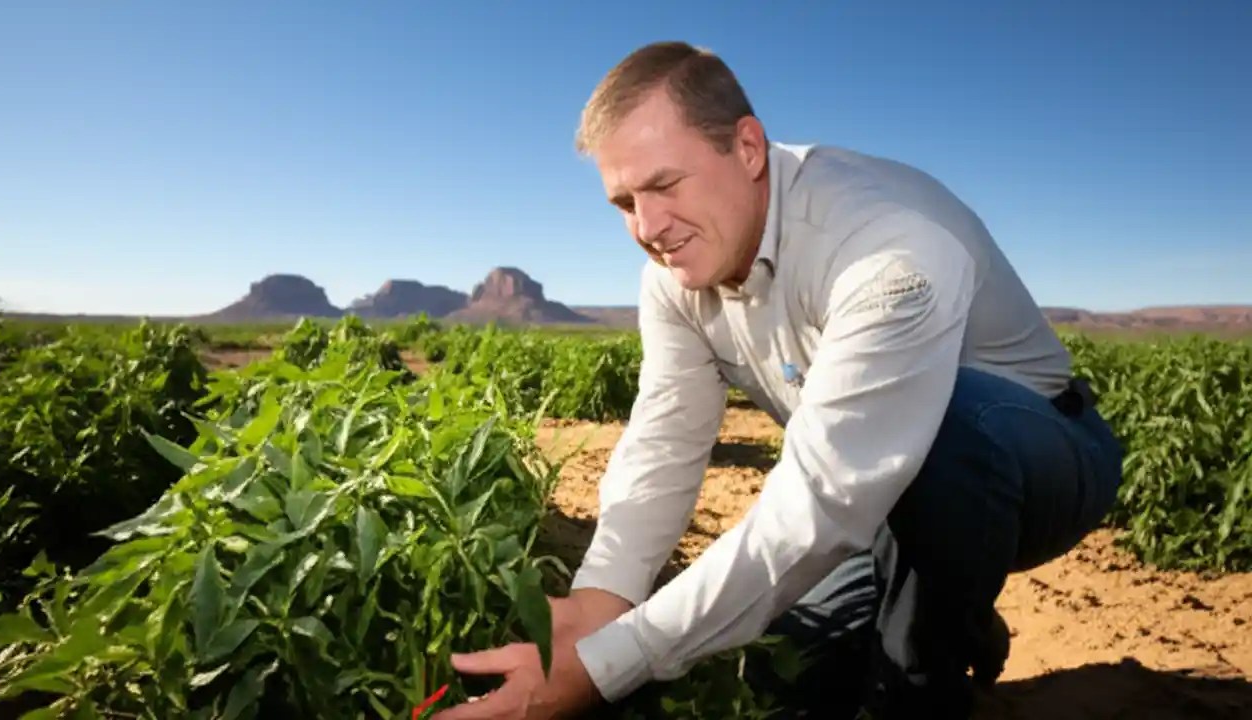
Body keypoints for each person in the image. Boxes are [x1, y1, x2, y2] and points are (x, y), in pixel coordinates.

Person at [431, 41, 1124, 720]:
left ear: (749, 149)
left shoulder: (887, 249)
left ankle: (924, 678)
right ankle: (953, 609)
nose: (647, 227)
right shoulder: (675, 276)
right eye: (623, 202)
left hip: (1037, 458)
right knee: (774, 665)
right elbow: (664, 439)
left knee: (941, 449)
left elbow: (822, 500)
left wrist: (606, 666)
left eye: (665, 185)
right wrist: (599, 602)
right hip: (876, 491)